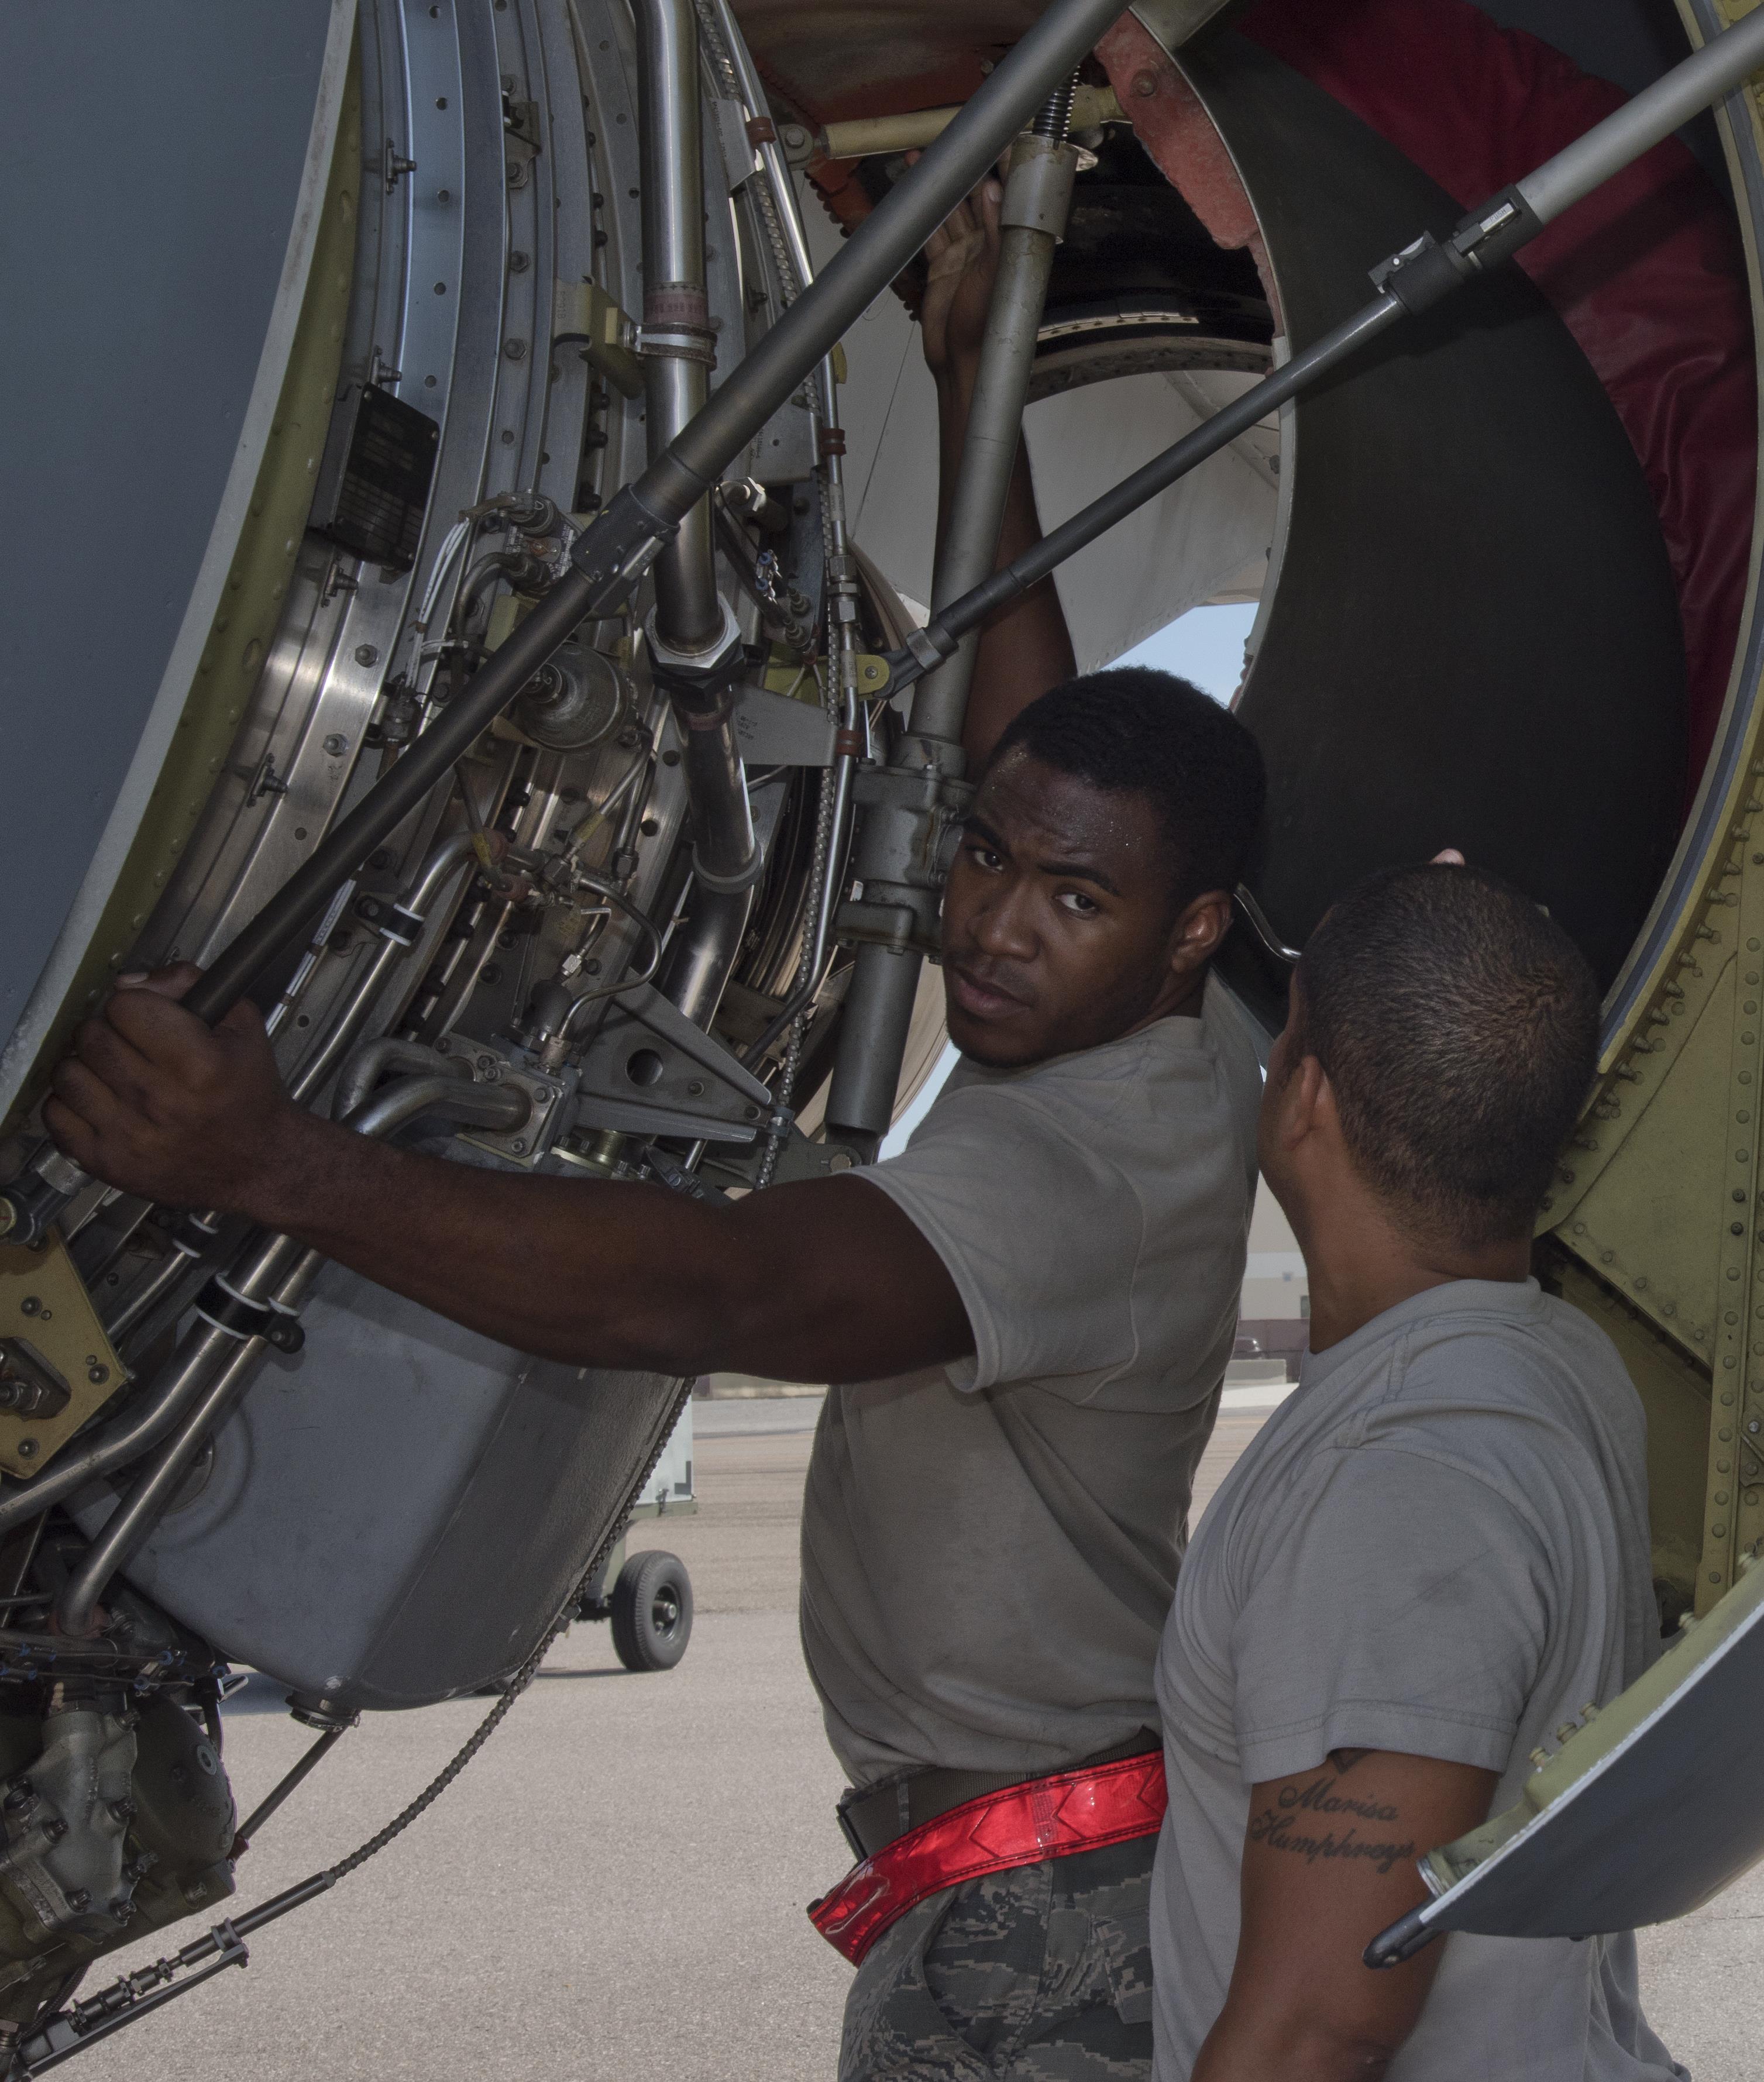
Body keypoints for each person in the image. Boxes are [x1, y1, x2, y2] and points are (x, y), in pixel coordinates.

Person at [47, 665, 1268, 2080]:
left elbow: (719, 1288)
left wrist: (271, 1163)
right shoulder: (1146, 1051)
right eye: (984, 852)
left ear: (1189, 932)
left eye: (1070, 898)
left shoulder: (1075, 1168)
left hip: (1045, 1915)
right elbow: (1043, 726)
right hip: (1028, 1864)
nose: (990, 926)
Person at [1151, 861, 1684, 2081]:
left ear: (1307, 1099)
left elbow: (1318, 2024)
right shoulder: (1546, 1357)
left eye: (1282, 1037)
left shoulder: (1402, 1475)